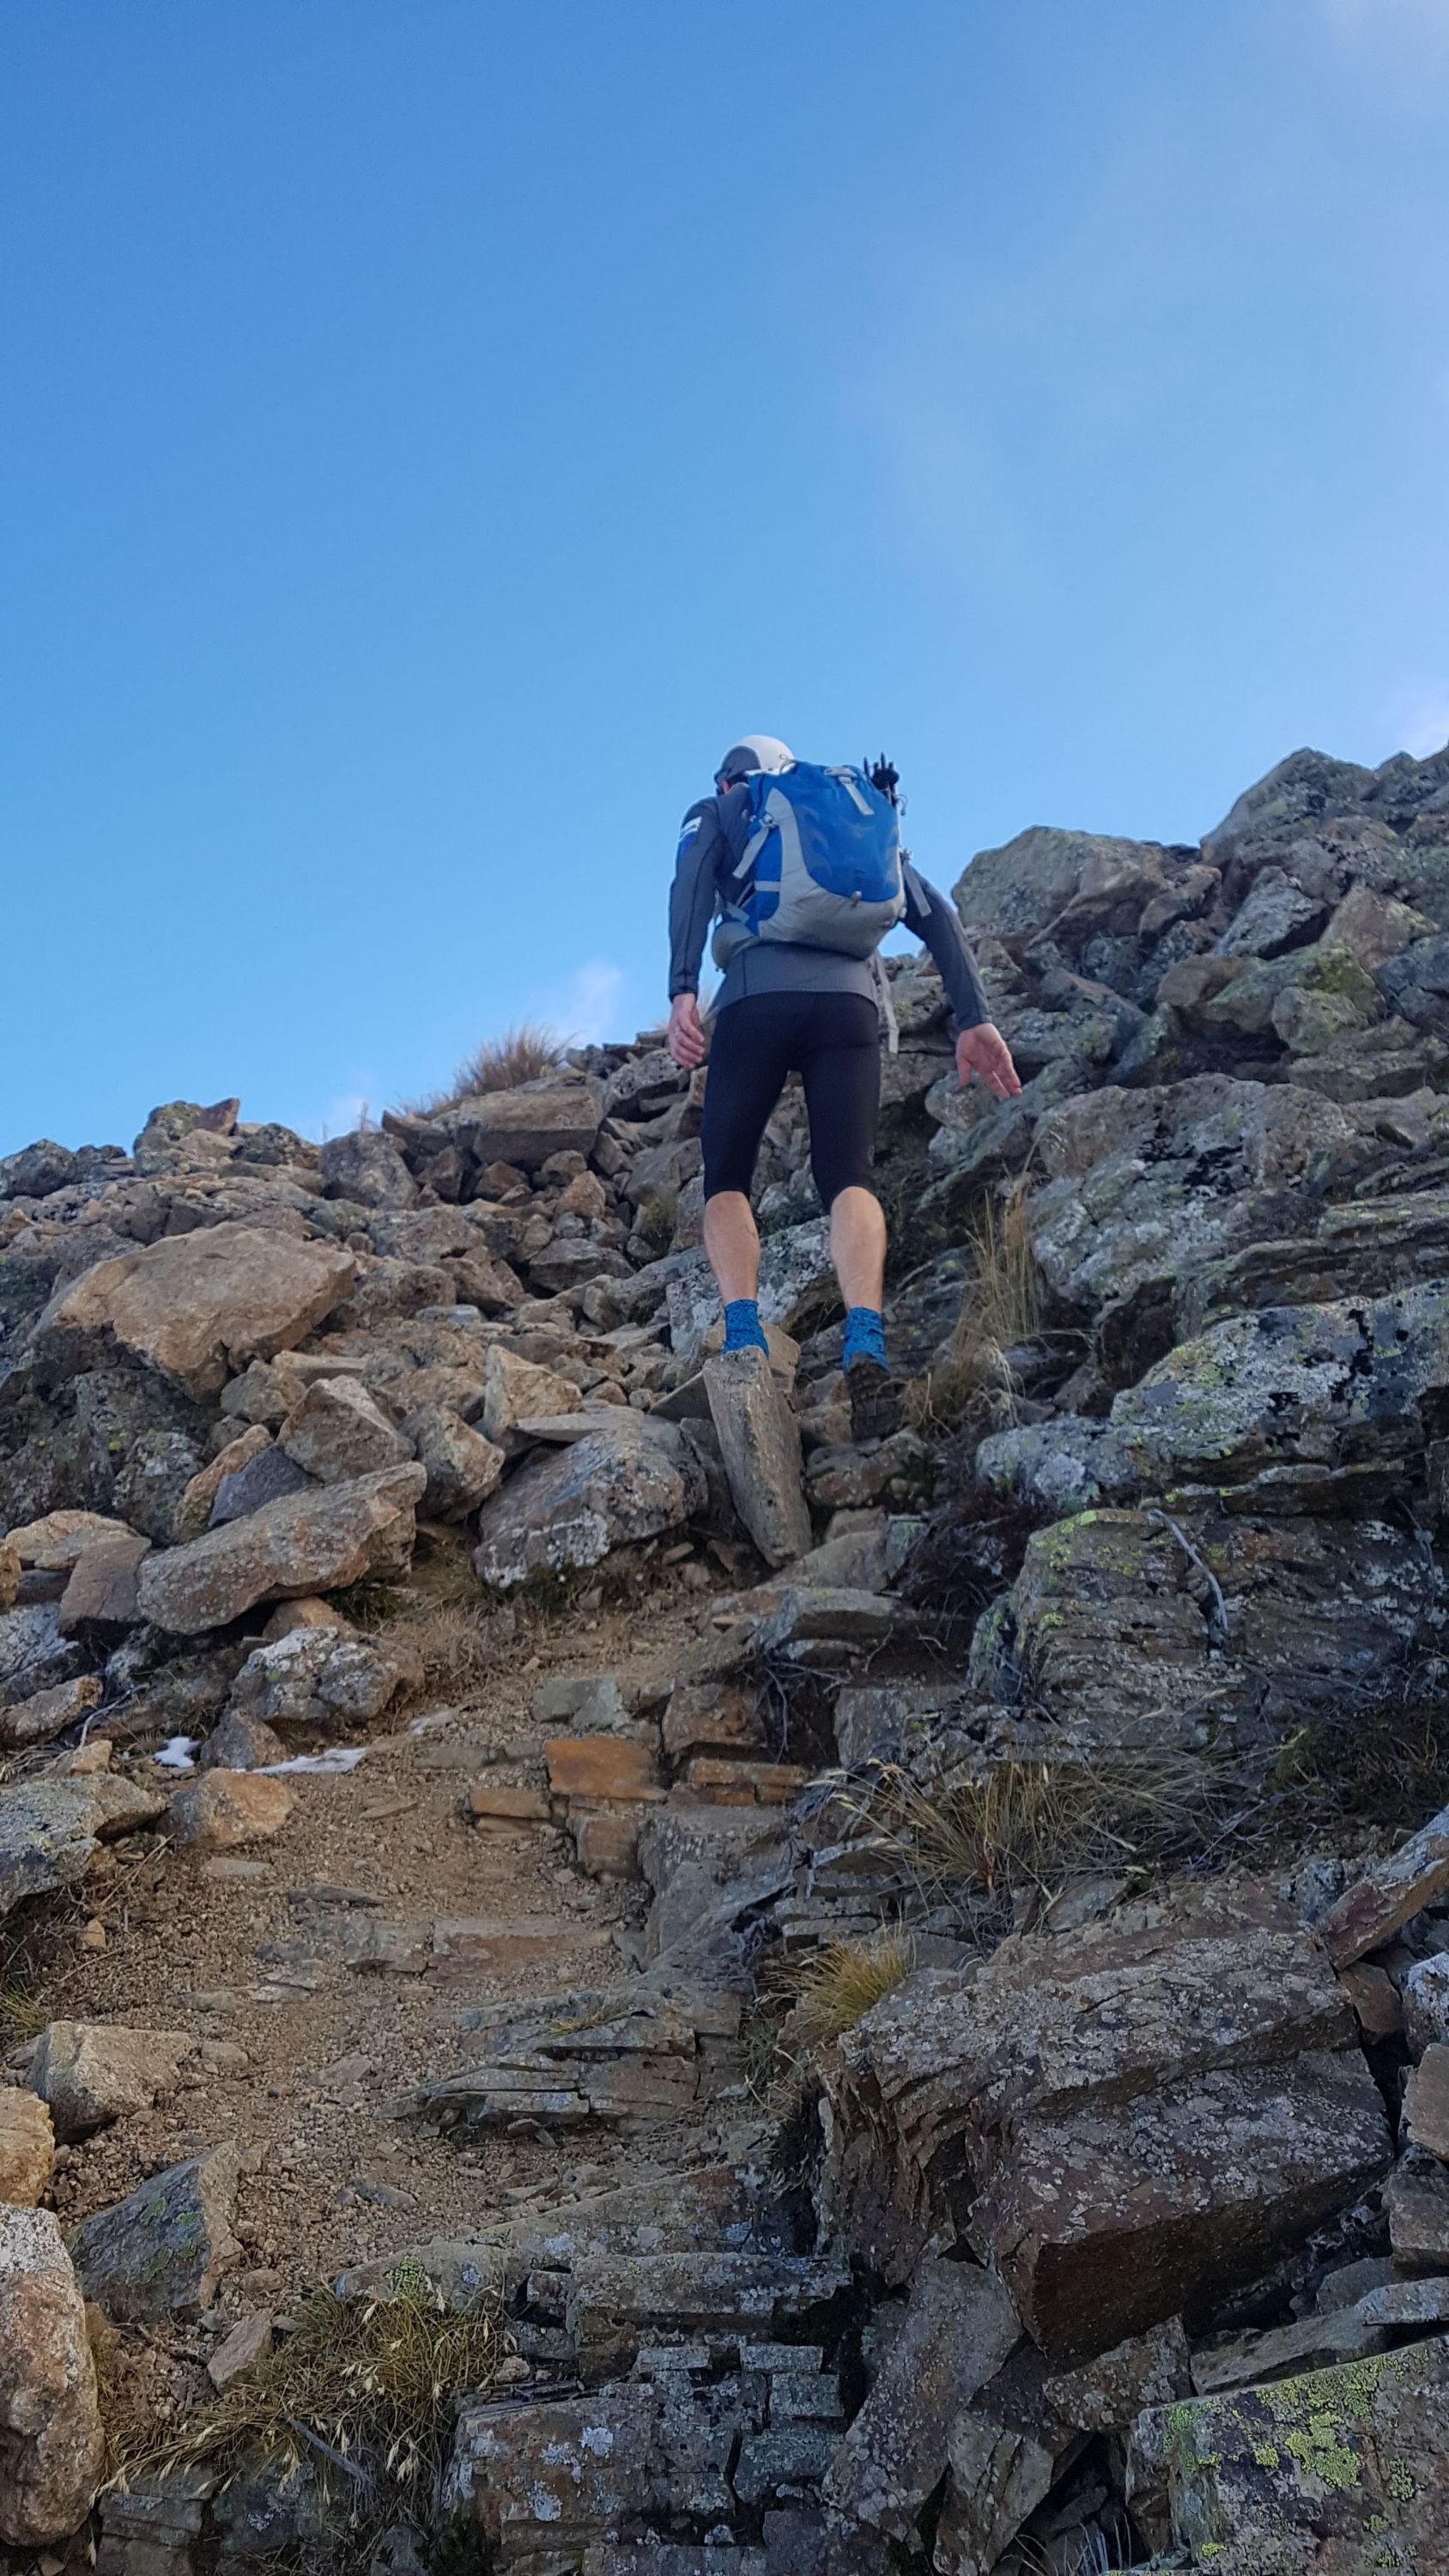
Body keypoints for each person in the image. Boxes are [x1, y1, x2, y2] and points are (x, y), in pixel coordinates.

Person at [666, 734, 1021, 1438]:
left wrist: (682, 989)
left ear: (733, 777)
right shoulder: (847, 815)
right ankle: (865, 1341)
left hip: (755, 998)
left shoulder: (725, 807)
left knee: (727, 1177)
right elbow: (935, 914)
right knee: (849, 1176)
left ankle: (745, 1340)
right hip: (850, 1009)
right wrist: (974, 1017)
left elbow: (691, 883)